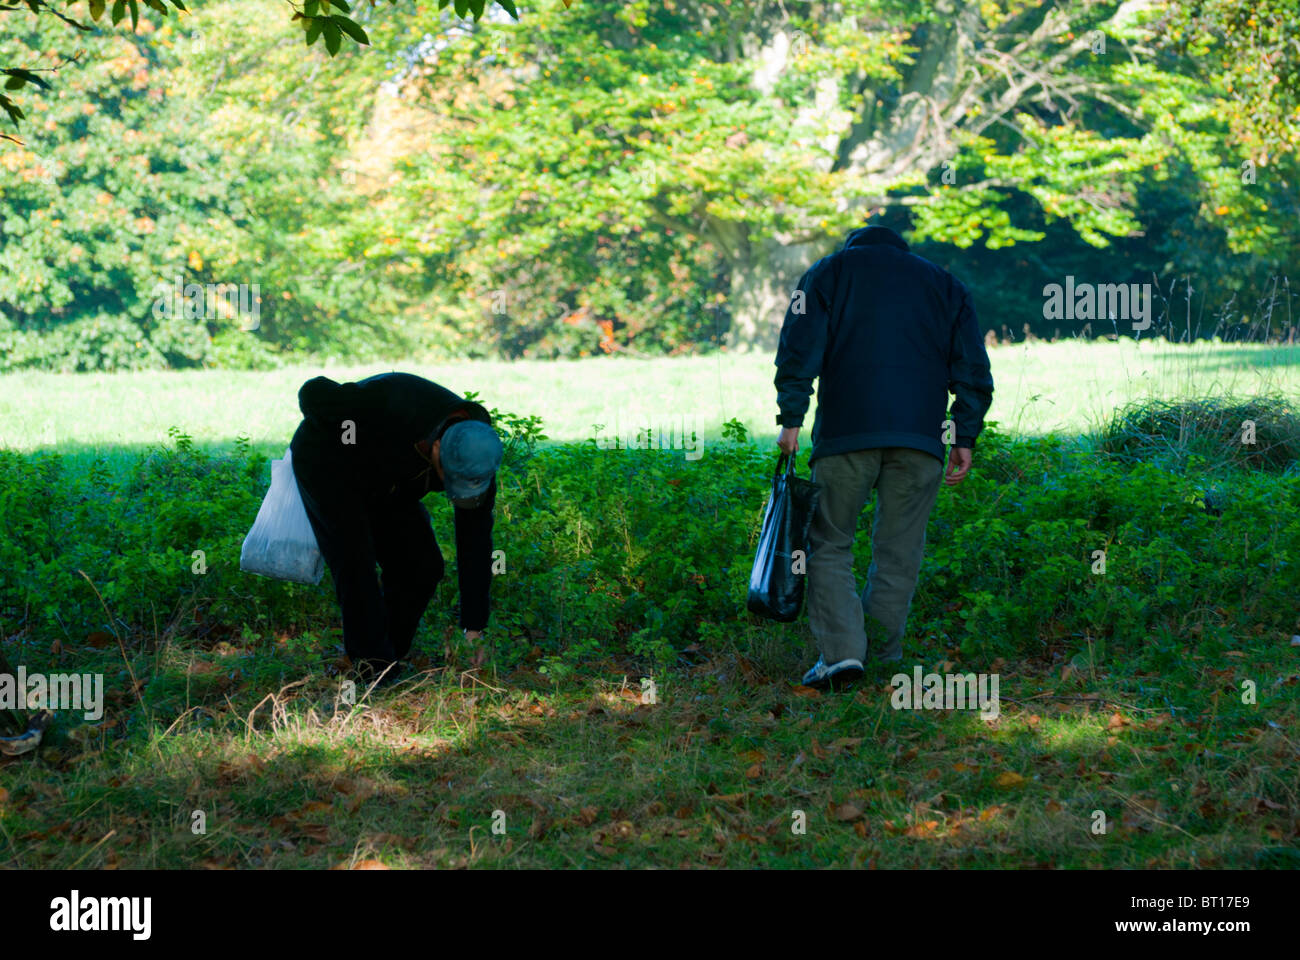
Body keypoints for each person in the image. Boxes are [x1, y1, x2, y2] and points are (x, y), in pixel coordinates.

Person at [773, 225, 994, 691]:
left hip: (846, 434)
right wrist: (964, 436)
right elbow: (972, 367)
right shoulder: (945, 284)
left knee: (829, 544)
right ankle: (885, 654)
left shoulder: (828, 272)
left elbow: (800, 344)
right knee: (899, 552)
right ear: (901, 249)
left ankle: (843, 656)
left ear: (854, 246)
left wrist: (791, 417)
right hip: (921, 440)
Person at [288, 372, 503, 684]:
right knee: (355, 563)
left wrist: (474, 629)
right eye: (448, 478)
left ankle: (387, 655)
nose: (452, 489)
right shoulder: (393, 403)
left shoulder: (477, 460)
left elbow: (475, 543)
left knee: (423, 567)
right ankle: (372, 671)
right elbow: (313, 392)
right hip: (329, 464)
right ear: (438, 445)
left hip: (390, 484)